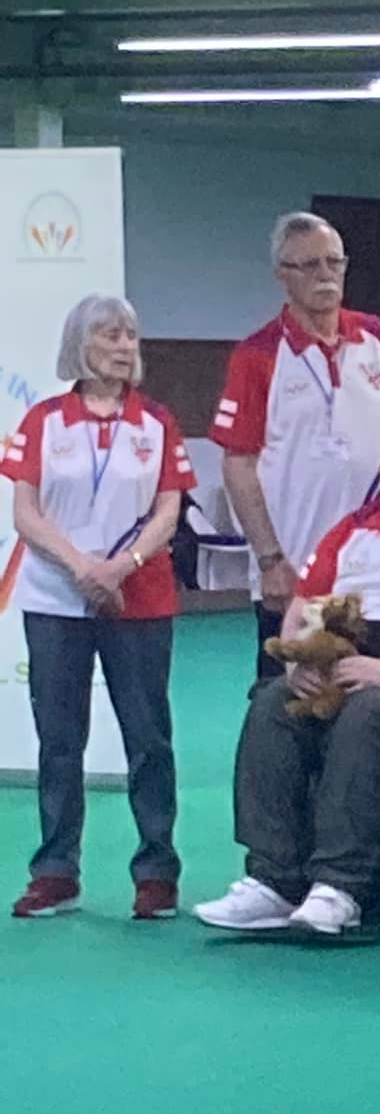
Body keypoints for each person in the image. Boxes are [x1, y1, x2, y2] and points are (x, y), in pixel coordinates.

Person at [196, 415, 380, 938]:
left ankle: (340, 886)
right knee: (272, 702)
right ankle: (272, 879)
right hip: (350, 654)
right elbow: (303, 604)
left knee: (368, 710)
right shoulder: (354, 529)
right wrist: (296, 665)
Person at [6, 296, 196, 922]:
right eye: (110, 334)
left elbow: (169, 511)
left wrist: (120, 568)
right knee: (61, 739)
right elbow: (26, 513)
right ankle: (56, 870)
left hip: (138, 598)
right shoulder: (44, 420)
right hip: (56, 599)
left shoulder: (157, 421)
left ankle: (156, 871)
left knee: (148, 738)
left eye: (131, 335)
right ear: (80, 344)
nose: (124, 345)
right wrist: (82, 568)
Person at [215, 212, 380, 680]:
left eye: (333, 262)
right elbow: (239, 465)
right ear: (281, 275)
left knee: (369, 698)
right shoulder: (257, 355)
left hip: (378, 568)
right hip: (294, 569)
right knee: (287, 699)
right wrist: (269, 560)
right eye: (308, 265)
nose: (325, 274)